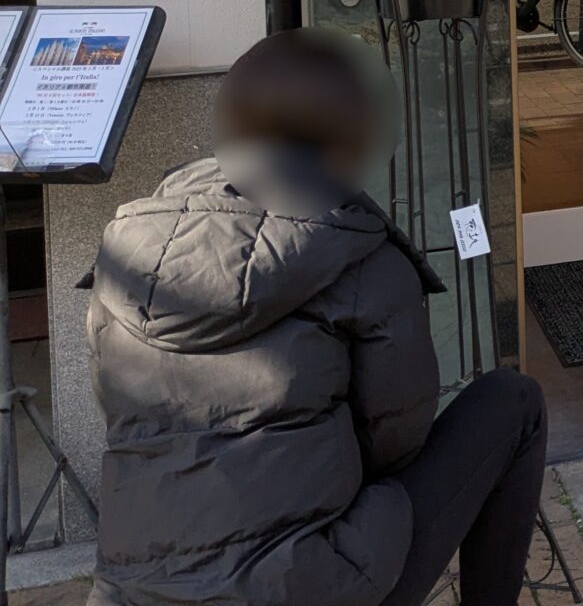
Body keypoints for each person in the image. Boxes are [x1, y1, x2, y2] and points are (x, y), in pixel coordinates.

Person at [86, 30, 547, 606]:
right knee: (513, 401)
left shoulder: (122, 260)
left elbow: (121, 413)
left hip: (130, 593)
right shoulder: (361, 257)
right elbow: (396, 443)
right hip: (308, 586)